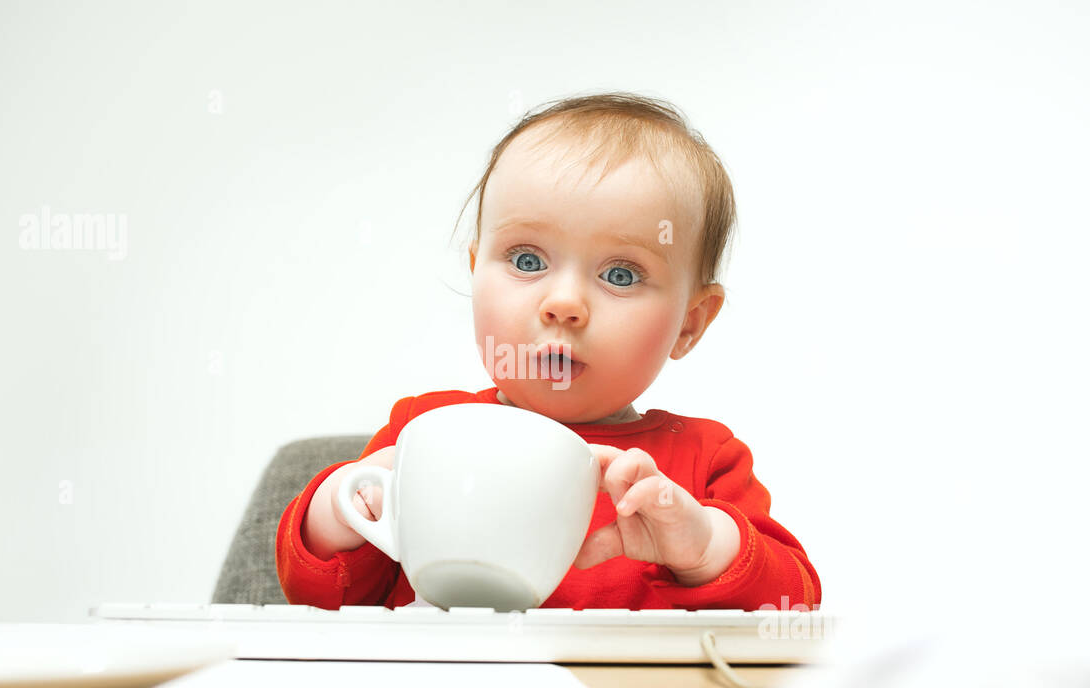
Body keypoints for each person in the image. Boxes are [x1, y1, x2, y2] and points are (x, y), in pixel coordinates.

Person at [276, 92, 820, 611]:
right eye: (528, 261)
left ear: (689, 324)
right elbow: (323, 594)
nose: (563, 304)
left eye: (621, 274)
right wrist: (337, 509)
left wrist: (704, 548)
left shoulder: (704, 461)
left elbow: (793, 604)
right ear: (475, 273)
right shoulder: (421, 428)